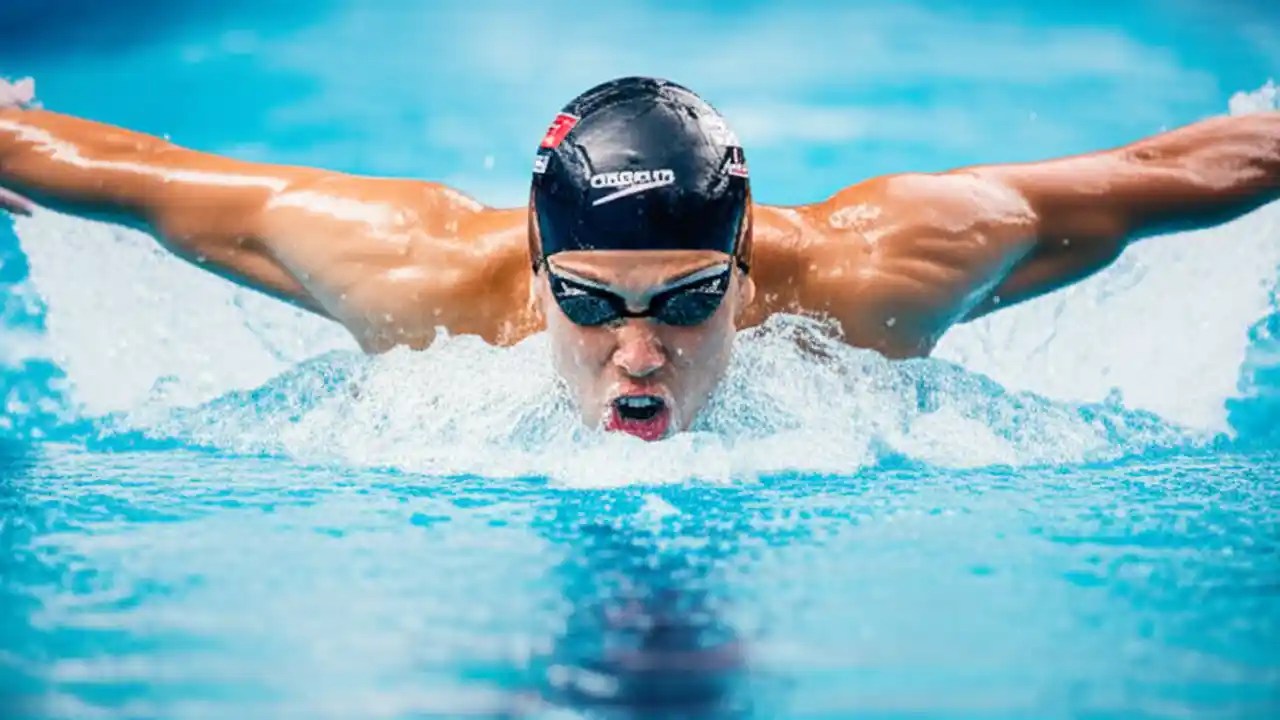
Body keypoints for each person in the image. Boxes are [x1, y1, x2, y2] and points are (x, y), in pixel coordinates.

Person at [1, 76, 1277, 440]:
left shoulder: (877, 271)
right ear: (535, 259)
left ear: (744, 264)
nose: (638, 351)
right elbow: (130, 179)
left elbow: (1154, 180)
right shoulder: (415, 274)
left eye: (686, 298)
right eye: (591, 303)